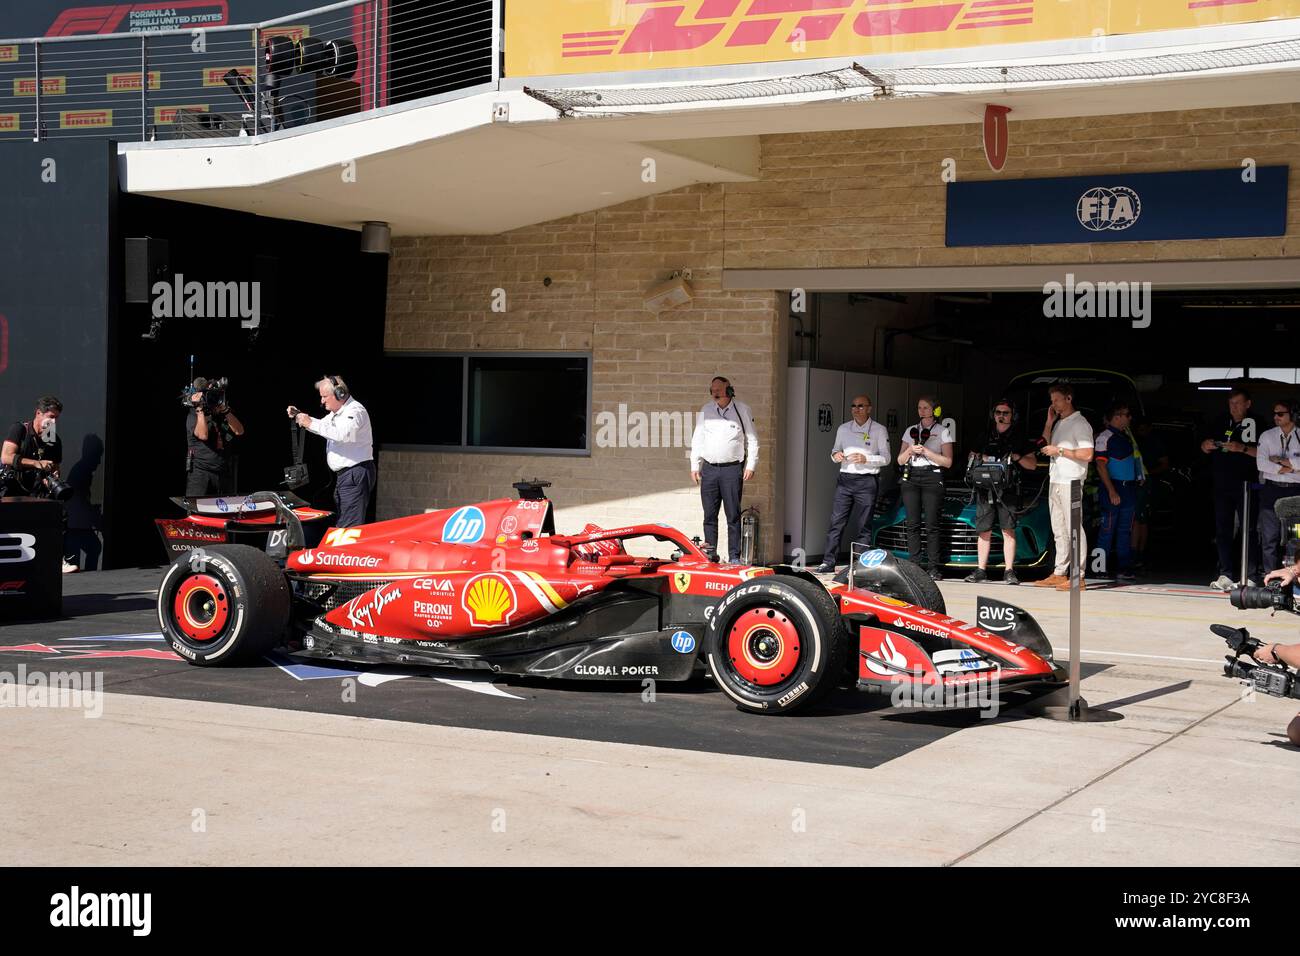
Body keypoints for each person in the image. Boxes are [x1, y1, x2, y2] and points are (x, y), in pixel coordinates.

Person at [963, 399, 1037, 586]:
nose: (1001, 416)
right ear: (993, 414)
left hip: (1009, 491)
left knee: (1008, 530)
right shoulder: (985, 435)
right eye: (998, 412)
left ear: (1013, 416)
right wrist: (982, 457)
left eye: (1005, 413)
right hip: (984, 489)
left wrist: (1017, 457)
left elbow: (1033, 465)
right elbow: (971, 457)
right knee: (983, 531)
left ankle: (1009, 571)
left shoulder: (1020, 437)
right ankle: (980, 570)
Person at [814, 395, 890, 574]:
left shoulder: (879, 429)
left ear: (869, 409)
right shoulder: (843, 428)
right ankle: (828, 562)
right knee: (836, 522)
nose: (857, 409)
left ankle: (860, 565)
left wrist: (867, 458)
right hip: (845, 479)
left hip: (867, 480)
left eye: (861, 406)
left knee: (864, 524)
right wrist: (835, 456)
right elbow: (834, 450)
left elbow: (886, 458)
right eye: (854, 406)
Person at [1, 396, 78, 573]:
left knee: (59, 514)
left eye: (56, 418)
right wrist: (37, 463)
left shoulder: (52, 437)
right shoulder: (20, 429)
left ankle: (56, 560)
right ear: (38, 413)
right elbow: (5, 457)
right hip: (12, 486)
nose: (53, 421)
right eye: (50, 416)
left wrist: (52, 476)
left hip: (36, 488)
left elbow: (54, 467)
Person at [289, 375, 374, 528]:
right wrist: (302, 417)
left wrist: (309, 423)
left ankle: (346, 551)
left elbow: (342, 434)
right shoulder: (337, 413)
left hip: (354, 473)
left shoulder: (355, 411)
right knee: (345, 521)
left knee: (349, 525)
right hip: (347, 475)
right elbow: (323, 426)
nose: (322, 401)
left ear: (339, 393)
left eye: (325, 396)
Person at [690, 376, 758, 563]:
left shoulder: (742, 410)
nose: (715, 393)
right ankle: (710, 553)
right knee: (709, 515)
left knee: (732, 515)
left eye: (719, 390)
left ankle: (734, 556)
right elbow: (698, 439)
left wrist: (750, 465)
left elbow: (752, 440)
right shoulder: (706, 410)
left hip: (731, 469)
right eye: (712, 390)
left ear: (729, 391)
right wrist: (695, 465)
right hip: (709, 469)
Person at [1200, 387, 1261, 590]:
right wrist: (1206, 445)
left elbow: (1263, 453)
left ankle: (1250, 574)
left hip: (1246, 484)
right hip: (1222, 484)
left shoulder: (1258, 423)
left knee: (1249, 529)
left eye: (1237, 403)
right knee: (1223, 530)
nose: (1233, 407)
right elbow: (1204, 444)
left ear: (1247, 404)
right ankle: (1225, 573)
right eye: (1230, 403)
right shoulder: (1220, 420)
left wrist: (1241, 448)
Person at [1035, 383, 1094, 591]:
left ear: (1069, 399)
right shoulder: (1060, 422)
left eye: (1057, 400)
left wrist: (1059, 451)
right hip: (1056, 479)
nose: (1054, 404)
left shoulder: (1080, 423)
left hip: (1072, 480)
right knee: (1059, 528)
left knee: (1074, 528)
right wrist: (1050, 422)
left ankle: (1078, 576)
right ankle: (1060, 572)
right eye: (1052, 401)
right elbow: (1045, 443)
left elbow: (1088, 454)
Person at [895, 396, 954, 581]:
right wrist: (910, 451)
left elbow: (948, 462)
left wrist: (927, 452)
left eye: (926, 408)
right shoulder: (910, 430)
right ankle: (914, 565)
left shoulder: (942, 431)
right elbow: (899, 460)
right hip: (911, 476)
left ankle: (934, 566)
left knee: (931, 524)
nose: (922, 411)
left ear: (934, 410)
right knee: (912, 523)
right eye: (919, 408)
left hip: (932, 476)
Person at [1094, 402, 1143, 583]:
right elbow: (1100, 465)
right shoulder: (1104, 437)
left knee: (1125, 531)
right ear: (1117, 417)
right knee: (1107, 530)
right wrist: (1112, 490)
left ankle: (1124, 568)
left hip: (1129, 488)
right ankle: (1099, 568)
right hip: (1112, 488)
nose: (1129, 418)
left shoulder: (1126, 436)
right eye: (1126, 414)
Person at [1255, 400, 1300, 574]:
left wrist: (1282, 461)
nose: (1276, 417)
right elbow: (1261, 464)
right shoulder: (1267, 436)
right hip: (1272, 489)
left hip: (1295, 490)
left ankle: (1294, 578)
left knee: (1295, 537)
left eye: (1280, 414)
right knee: (1269, 537)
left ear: (1292, 415)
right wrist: (1288, 469)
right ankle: (1271, 579)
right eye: (1274, 413)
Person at [185, 377, 244, 497]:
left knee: (226, 513)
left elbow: (239, 431)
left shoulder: (223, 413)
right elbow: (203, 435)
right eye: (210, 396)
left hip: (223, 472)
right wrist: (200, 410)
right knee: (199, 512)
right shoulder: (194, 414)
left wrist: (225, 410)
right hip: (201, 473)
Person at [1130, 417, 1169, 575]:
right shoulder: (1131, 439)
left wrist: (1146, 474)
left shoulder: (1155, 442)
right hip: (1134, 482)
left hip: (1147, 484)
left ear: (1149, 428)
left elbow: (1165, 464)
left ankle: (1138, 554)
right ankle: (1137, 555)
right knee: (1138, 519)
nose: (1141, 431)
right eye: (1139, 428)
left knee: (1140, 519)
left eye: (1144, 428)